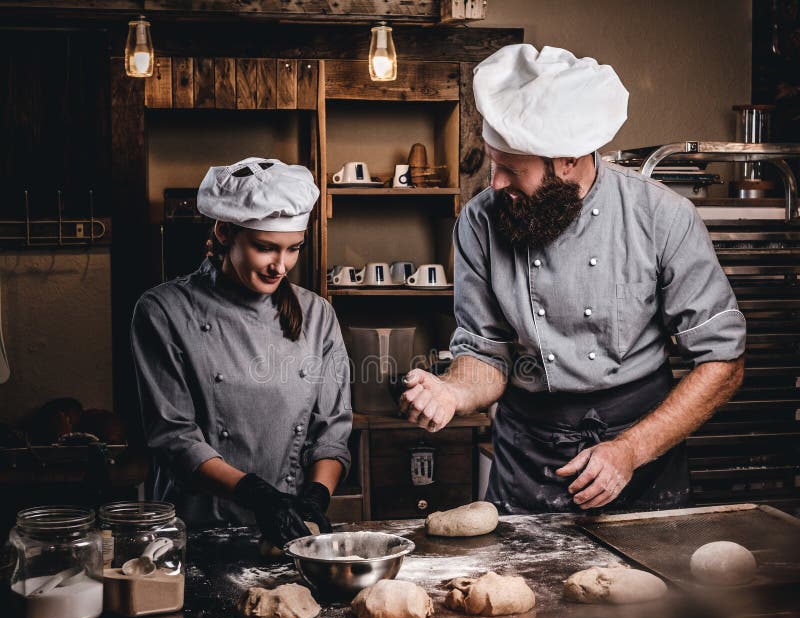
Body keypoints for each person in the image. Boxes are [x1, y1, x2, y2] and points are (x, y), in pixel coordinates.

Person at [400, 45, 746, 513]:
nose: (495, 184)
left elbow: (723, 362)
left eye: (512, 170)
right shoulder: (480, 222)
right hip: (528, 457)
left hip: (641, 453)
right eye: (492, 164)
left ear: (567, 160)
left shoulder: (661, 216)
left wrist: (630, 450)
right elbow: (486, 352)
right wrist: (453, 390)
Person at [131, 157, 351, 543]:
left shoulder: (317, 315)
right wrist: (257, 494)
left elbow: (331, 430)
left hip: (288, 533)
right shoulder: (163, 311)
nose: (280, 266)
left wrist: (315, 497)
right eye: (266, 248)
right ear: (224, 231)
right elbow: (175, 437)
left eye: (293, 249)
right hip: (197, 532)